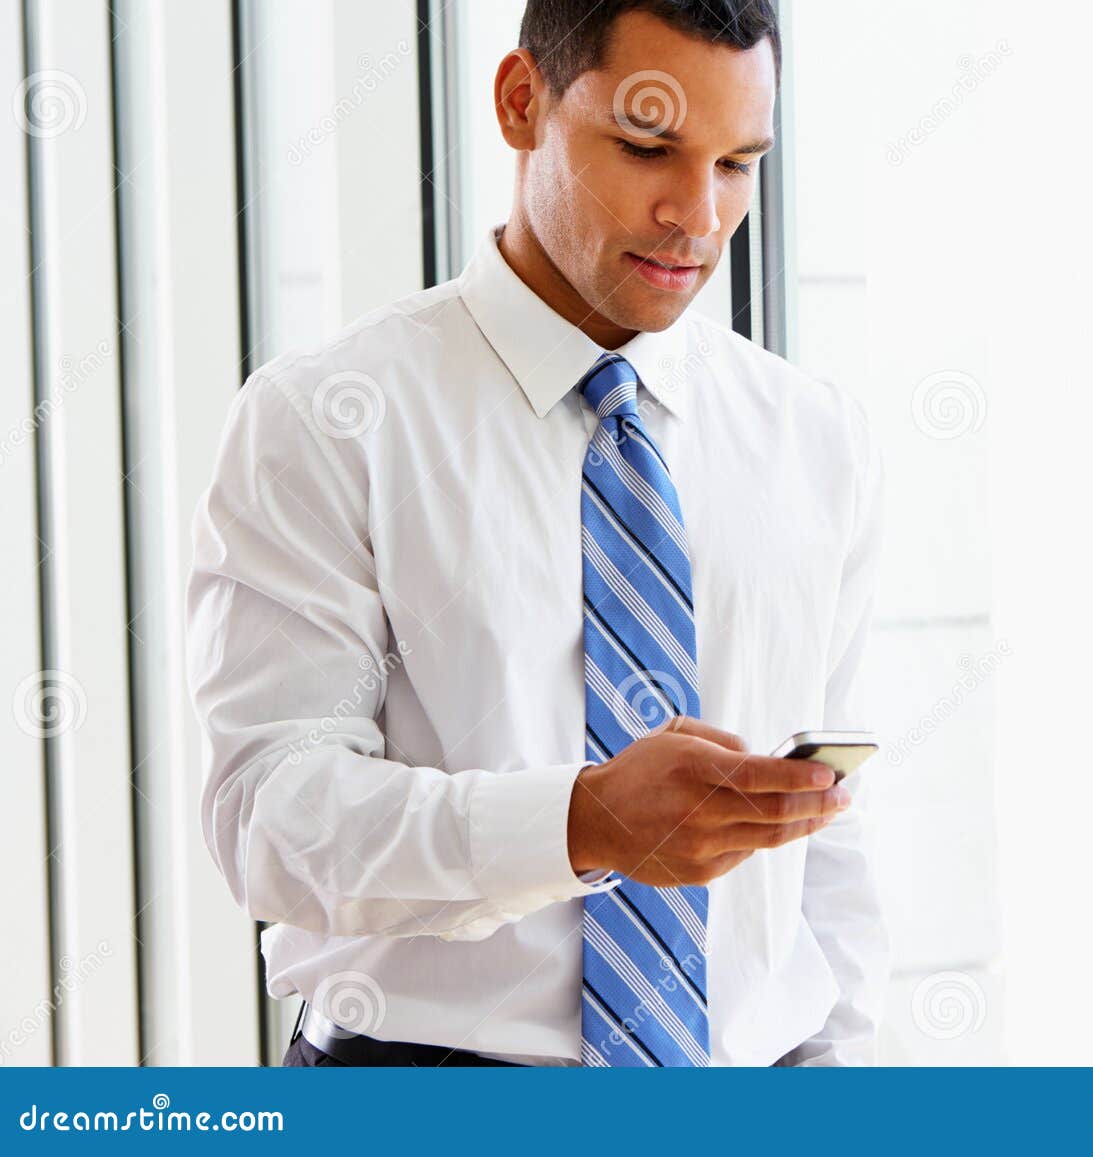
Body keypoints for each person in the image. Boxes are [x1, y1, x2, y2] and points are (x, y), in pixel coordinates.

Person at [186, 0, 888, 1067]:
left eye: (738, 162)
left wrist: (843, 1059)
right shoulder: (327, 421)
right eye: (647, 147)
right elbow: (273, 820)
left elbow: (828, 838)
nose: (697, 216)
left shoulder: (813, 436)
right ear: (523, 103)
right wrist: (581, 822)